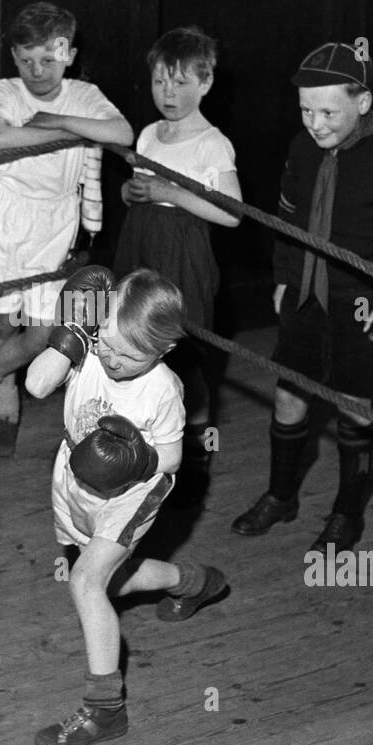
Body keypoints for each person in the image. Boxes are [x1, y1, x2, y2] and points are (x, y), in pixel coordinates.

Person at [232, 42, 373, 552]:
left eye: (327, 112)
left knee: (353, 406)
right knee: (289, 394)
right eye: (305, 110)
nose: (315, 123)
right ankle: (281, 495)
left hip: (364, 302)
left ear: (362, 102)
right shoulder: (300, 148)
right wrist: (282, 275)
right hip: (306, 294)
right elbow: (288, 219)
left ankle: (346, 512)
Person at [26, 267, 227, 745]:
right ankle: (192, 581)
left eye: (129, 353)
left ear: (163, 351)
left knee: (86, 581)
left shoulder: (162, 389)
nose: (112, 358)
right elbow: (35, 386)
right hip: (74, 475)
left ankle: (105, 710)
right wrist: (74, 335)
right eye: (107, 343)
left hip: (133, 491)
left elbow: (175, 456)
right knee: (113, 579)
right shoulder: (92, 341)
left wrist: (137, 456)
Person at [0, 1, 132, 458]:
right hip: (6, 213)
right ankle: (5, 409)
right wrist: (78, 133)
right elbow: (3, 139)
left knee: (41, 330)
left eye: (49, 60)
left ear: (68, 54)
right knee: (2, 318)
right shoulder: (8, 92)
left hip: (56, 221)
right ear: (13, 57)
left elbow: (123, 133)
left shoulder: (83, 94)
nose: (38, 71)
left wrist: (59, 121)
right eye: (27, 60)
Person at [112, 27, 240, 481]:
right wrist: (134, 192)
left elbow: (232, 213)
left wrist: (172, 191)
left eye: (181, 82)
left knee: (184, 356)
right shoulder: (148, 133)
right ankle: (139, 443)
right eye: (160, 81)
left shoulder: (212, 142)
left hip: (182, 252)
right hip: (141, 243)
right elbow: (141, 192)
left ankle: (194, 459)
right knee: (134, 344)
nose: (168, 92)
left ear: (205, 83)